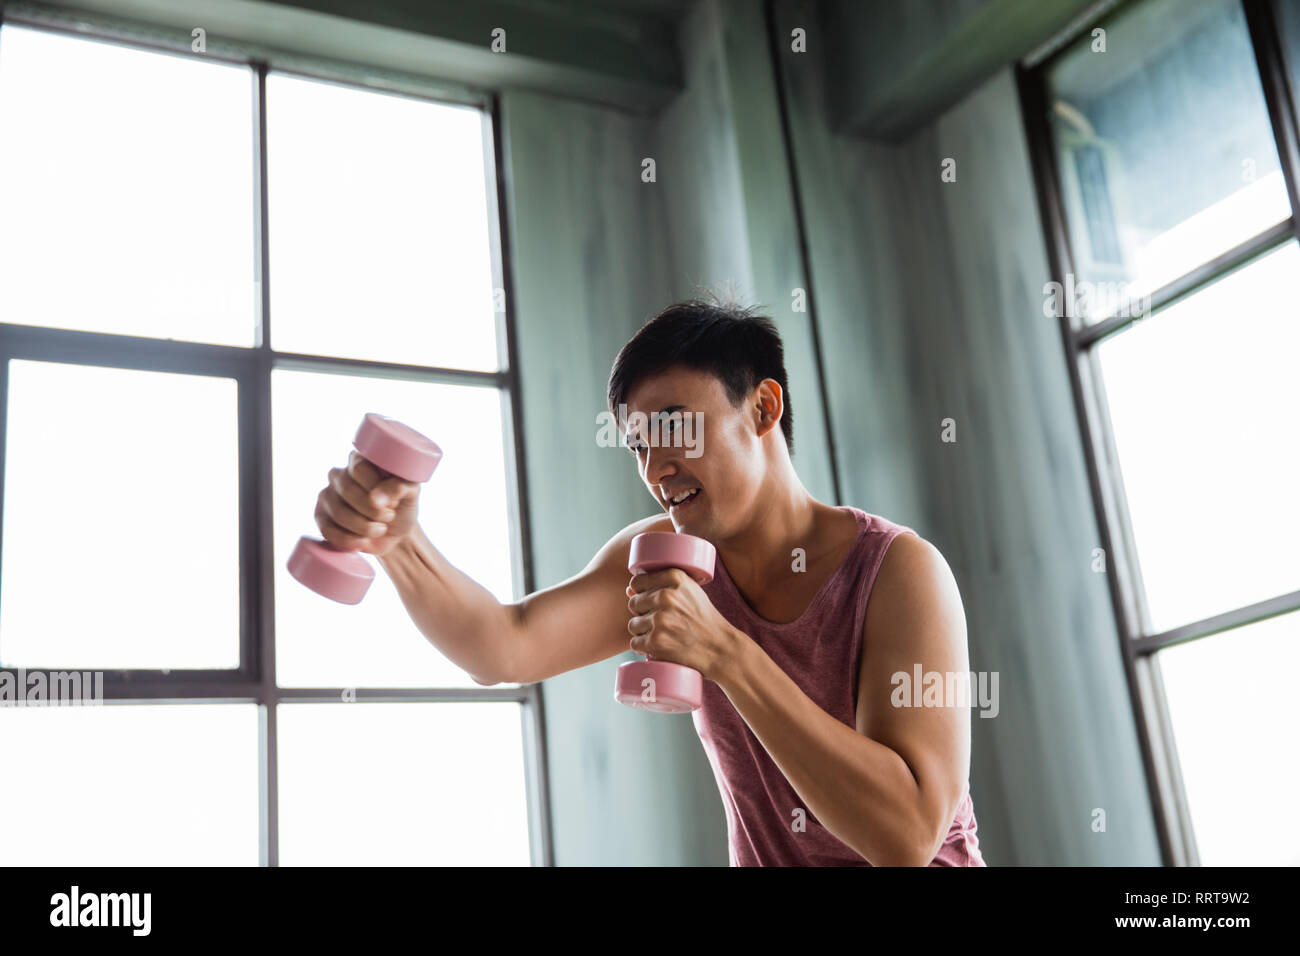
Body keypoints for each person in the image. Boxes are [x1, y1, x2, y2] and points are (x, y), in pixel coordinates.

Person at [313, 297, 985, 867]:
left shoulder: (900, 571)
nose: (656, 466)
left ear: (763, 408)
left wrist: (725, 654)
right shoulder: (662, 559)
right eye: (637, 444)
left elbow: (907, 835)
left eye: (674, 427)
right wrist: (399, 542)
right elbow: (503, 646)